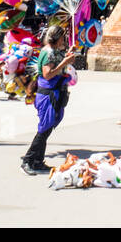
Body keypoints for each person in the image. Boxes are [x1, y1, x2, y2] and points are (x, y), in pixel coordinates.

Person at [21, 25, 76, 175]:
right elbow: (47, 74)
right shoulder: (49, 52)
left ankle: (38, 161)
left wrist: (66, 57)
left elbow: (57, 66)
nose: (64, 39)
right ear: (57, 37)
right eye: (63, 36)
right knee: (44, 128)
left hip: (55, 93)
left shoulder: (54, 51)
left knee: (47, 127)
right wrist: (65, 63)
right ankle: (28, 160)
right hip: (48, 95)